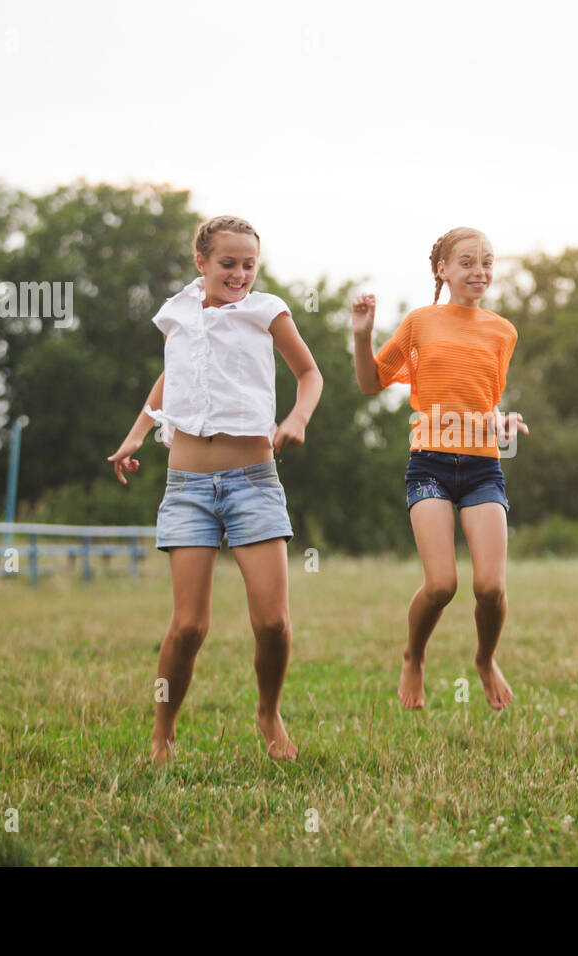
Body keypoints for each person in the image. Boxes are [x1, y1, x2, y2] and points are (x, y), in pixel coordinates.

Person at [107, 215, 322, 764]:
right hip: (188, 488)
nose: (240, 274)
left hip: (253, 482)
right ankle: (162, 733)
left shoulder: (265, 312)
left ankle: (268, 713)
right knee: (188, 625)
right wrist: (135, 437)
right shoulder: (177, 312)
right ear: (201, 262)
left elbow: (309, 375)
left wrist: (297, 419)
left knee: (272, 621)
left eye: (249, 264)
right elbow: (169, 379)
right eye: (228, 263)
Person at [351, 227, 528, 711]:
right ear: (442, 270)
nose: (479, 271)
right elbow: (370, 383)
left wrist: (502, 421)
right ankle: (414, 656)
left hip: (482, 466)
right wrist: (362, 333)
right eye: (467, 261)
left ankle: (486, 659)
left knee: (490, 587)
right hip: (428, 464)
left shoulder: (503, 331)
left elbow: (481, 402)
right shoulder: (420, 323)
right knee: (442, 585)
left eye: (487, 262)